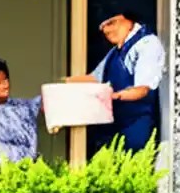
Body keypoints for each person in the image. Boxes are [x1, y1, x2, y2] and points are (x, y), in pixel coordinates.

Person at [66, 9, 165, 153]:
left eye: (111, 23)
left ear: (129, 21)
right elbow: (94, 78)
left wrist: (115, 95)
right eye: (103, 27)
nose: (106, 30)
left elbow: (143, 89)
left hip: (138, 125)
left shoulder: (147, 44)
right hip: (116, 127)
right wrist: (63, 83)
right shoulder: (114, 52)